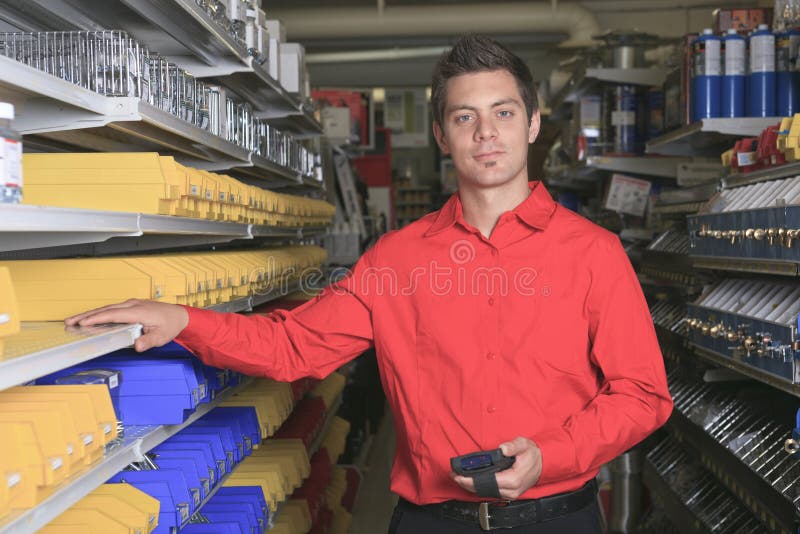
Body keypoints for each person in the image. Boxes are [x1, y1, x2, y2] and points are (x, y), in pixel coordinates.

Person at [67, 35, 672, 533]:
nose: (485, 132)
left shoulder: (594, 253)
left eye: (503, 112)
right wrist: (183, 320)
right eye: (465, 116)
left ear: (533, 123)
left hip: (559, 518)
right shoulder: (397, 260)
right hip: (433, 522)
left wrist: (551, 456)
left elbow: (643, 394)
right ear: (442, 134)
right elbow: (294, 346)